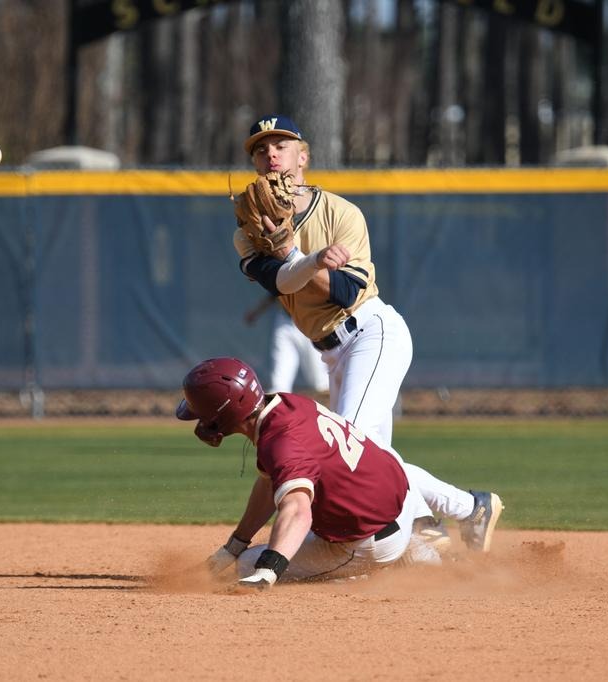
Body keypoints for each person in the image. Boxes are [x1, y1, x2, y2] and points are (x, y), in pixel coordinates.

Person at [233, 113, 456, 531]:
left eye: (281, 146)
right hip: (329, 352)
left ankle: (460, 508)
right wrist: (308, 259)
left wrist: (300, 258)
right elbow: (281, 280)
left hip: (371, 332)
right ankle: (428, 528)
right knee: (371, 453)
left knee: (345, 446)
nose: (271, 154)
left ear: (303, 156)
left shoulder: (341, 213)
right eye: (261, 150)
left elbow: (345, 291)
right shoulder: (248, 229)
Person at [176, 357, 503, 588]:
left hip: (367, 542)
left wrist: (268, 570)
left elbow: (297, 510)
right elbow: (269, 484)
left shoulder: (280, 444)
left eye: (201, 413)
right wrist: (234, 544)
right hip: (401, 503)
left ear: (222, 415)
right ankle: (425, 557)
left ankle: (380, 565)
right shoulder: (287, 405)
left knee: (247, 565)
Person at [244, 293, 330, 394]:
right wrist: (257, 311)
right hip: (285, 322)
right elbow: (274, 292)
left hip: (309, 321)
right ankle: (278, 408)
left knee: (319, 382)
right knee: (278, 385)